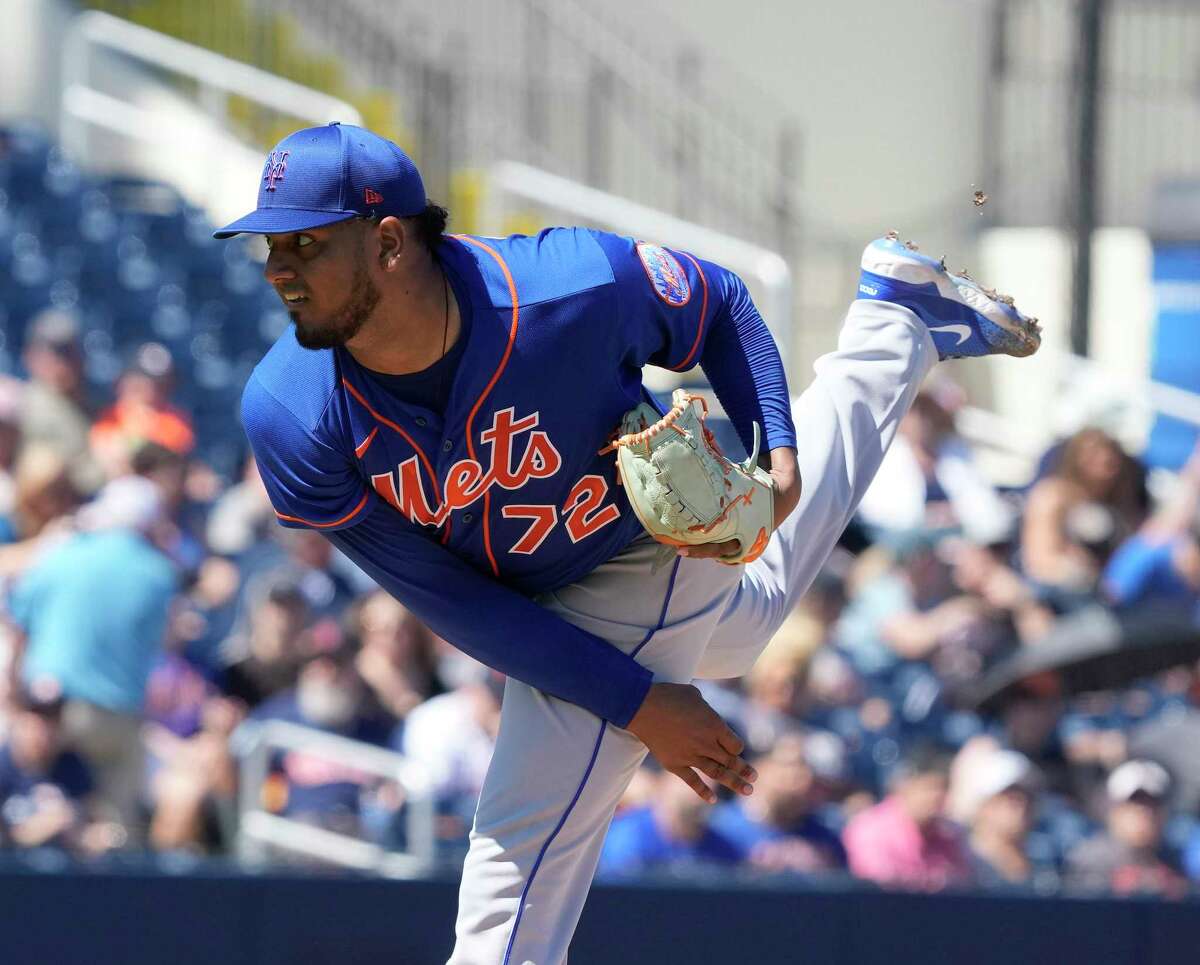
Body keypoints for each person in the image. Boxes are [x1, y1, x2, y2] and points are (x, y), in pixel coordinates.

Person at [216, 123, 1039, 963]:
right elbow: (447, 598)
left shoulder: (566, 286)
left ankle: (894, 330)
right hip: (533, 595)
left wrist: (775, 449)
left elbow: (719, 304)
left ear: (388, 241)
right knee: (748, 624)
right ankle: (897, 322)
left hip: (642, 541)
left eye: (306, 244)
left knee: (517, 863)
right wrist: (636, 700)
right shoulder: (289, 412)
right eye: (271, 244)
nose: (279, 268)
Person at [841, 744, 973, 891]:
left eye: (944, 789)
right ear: (905, 786)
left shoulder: (951, 833)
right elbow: (880, 885)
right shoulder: (869, 828)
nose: (937, 797)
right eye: (929, 788)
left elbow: (965, 884)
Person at [1065, 759, 1187, 898]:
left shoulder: (1177, 861)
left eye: (1153, 804)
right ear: (1113, 811)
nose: (1145, 813)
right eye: (1134, 803)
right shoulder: (1089, 861)